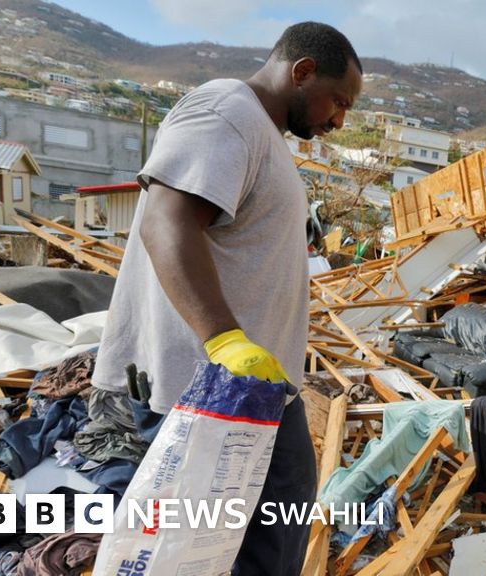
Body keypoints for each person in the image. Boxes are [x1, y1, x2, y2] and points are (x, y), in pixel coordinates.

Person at [90, 22, 362, 575]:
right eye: (338, 102)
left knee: (264, 542)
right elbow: (167, 226)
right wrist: (226, 341)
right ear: (302, 71)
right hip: (206, 388)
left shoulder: (259, 133)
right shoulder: (225, 113)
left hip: (254, 391)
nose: (339, 120)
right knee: (195, 555)